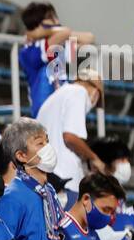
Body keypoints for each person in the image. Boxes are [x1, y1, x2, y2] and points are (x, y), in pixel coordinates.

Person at [36, 69, 104, 198]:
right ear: (96, 93)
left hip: (47, 178)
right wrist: (94, 158)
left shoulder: (57, 97)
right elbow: (70, 137)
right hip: (64, 180)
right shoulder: (79, 92)